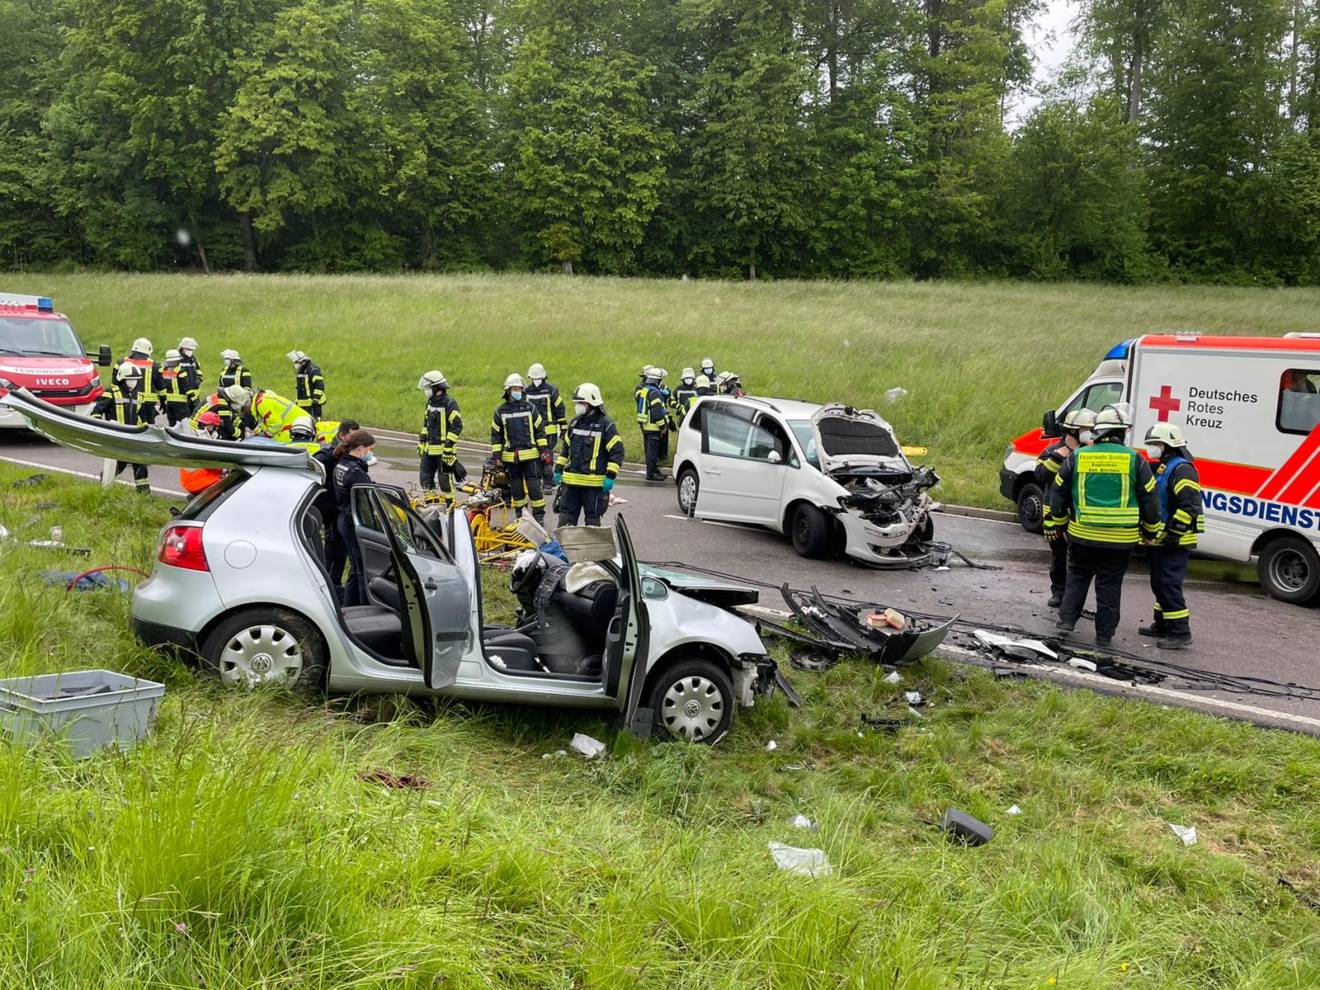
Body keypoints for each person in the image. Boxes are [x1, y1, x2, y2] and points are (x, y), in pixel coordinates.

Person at [1048, 403, 1162, 648]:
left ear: (1097, 432)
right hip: (1120, 540)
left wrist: (1059, 525)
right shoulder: (1136, 460)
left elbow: (1058, 493)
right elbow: (1150, 499)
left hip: (1081, 535)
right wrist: (1150, 531)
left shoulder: (1078, 456)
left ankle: (1066, 622)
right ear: (1122, 433)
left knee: (1077, 576)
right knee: (1109, 584)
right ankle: (1104, 635)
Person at [1139, 422, 1204, 649]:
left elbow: (1189, 506)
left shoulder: (1182, 469)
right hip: (1164, 539)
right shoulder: (1165, 466)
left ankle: (1179, 632)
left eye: (1154, 444)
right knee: (1159, 583)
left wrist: (1175, 533)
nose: (1151, 448)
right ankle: (1162, 624)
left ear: (1167, 445)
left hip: (1176, 540)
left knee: (1168, 584)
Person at [1037, 408, 1097, 607]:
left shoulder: (1091, 453)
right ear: (1072, 432)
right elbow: (1042, 476)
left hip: (1079, 516)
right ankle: (1059, 592)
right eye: (1085, 429)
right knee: (1059, 556)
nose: (1089, 433)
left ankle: (1073, 599)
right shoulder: (1051, 451)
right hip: (1053, 515)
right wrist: (1059, 457)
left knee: (1079, 560)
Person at [555, 383, 625, 527]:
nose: (578, 406)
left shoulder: (606, 425)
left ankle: (590, 550)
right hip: (571, 484)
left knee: (592, 526)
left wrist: (610, 476)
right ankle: (565, 550)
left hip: (593, 487)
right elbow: (565, 450)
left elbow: (617, 451)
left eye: (581, 403)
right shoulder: (574, 423)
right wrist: (558, 469)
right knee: (565, 522)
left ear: (592, 403)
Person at [491, 373, 548, 523]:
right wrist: (497, 457)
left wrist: (544, 452)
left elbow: (540, 431)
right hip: (511, 458)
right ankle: (521, 517)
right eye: (515, 388)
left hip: (531, 456)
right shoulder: (500, 411)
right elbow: (496, 436)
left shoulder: (531, 408)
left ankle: (538, 518)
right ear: (508, 391)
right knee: (516, 490)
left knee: (534, 487)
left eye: (520, 388)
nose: (518, 391)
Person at [313, 421, 358, 596]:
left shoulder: (345, 456)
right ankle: (330, 586)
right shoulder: (326, 456)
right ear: (342, 436)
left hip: (337, 509)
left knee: (338, 549)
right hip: (328, 508)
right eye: (352, 437)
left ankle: (333, 584)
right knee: (334, 549)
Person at [333, 429, 377, 606]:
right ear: (359, 448)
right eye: (369, 449)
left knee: (354, 569)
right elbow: (369, 495)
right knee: (362, 570)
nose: (370, 453)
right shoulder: (355, 471)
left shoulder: (342, 465)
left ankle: (349, 607)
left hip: (345, 520)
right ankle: (364, 608)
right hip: (354, 522)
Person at [92, 362, 151, 494]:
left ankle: (144, 495)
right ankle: (105, 486)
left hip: (133, 438)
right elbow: (97, 411)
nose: (133, 382)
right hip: (116, 438)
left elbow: (144, 418)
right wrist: (97, 428)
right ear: (122, 379)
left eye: (135, 379)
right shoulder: (111, 393)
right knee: (118, 465)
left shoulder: (139, 396)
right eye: (130, 379)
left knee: (140, 464)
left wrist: (146, 432)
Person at [417, 370, 463, 507]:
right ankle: (432, 507)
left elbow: (457, 426)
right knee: (425, 477)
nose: (426, 391)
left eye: (428, 388)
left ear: (436, 387)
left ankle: (451, 508)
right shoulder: (430, 403)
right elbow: (426, 424)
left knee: (445, 482)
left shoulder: (450, 403)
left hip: (444, 452)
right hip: (429, 449)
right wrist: (422, 442)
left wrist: (449, 448)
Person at [525, 363, 566, 488]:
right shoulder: (551, 390)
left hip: (533, 431)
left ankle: (540, 481)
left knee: (538, 455)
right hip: (549, 431)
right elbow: (560, 408)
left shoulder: (526, 391)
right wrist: (563, 426)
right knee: (547, 454)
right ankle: (547, 483)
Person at [114, 337, 160, 424]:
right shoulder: (155, 366)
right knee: (148, 428)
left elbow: (115, 383)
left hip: (125, 400)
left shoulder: (120, 363)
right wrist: (163, 401)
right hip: (148, 404)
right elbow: (161, 386)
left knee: (125, 423)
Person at [180, 411, 226, 495]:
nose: (217, 431)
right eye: (216, 427)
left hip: (193, 479)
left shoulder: (196, 437)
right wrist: (225, 467)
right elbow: (212, 464)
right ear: (210, 427)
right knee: (228, 483)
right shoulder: (204, 441)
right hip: (196, 481)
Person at [638, 366, 668, 481]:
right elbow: (657, 413)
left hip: (646, 426)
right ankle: (652, 474)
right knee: (652, 452)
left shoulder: (646, 390)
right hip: (653, 427)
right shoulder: (655, 392)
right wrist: (663, 426)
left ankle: (654, 470)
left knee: (649, 450)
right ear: (657, 380)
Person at [157, 349, 192, 427]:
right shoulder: (181, 371)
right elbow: (186, 388)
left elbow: (161, 387)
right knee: (184, 426)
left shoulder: (163, 371)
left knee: (172, 425)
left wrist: (163, 402)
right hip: (181, 404)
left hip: (169, 403)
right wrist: (193, 399)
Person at [288, 350, 326, 419]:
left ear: (303, 361)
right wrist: (297, 400)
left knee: (315, 421)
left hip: (314, 403)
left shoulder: (313, 370)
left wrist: (316, 399)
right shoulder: (301, 371)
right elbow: (301, 388)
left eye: (297, 362)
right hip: (304, 403)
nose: (295, 364)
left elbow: (319, 385)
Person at [177, 337, 203, 410]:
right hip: (182, 395)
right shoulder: (177, 359)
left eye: (191, 350)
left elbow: (198, 370)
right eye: (188, 349)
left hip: (194, 394)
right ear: (182, 348)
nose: (190, 351)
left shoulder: (193, 358)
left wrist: (199, 378)